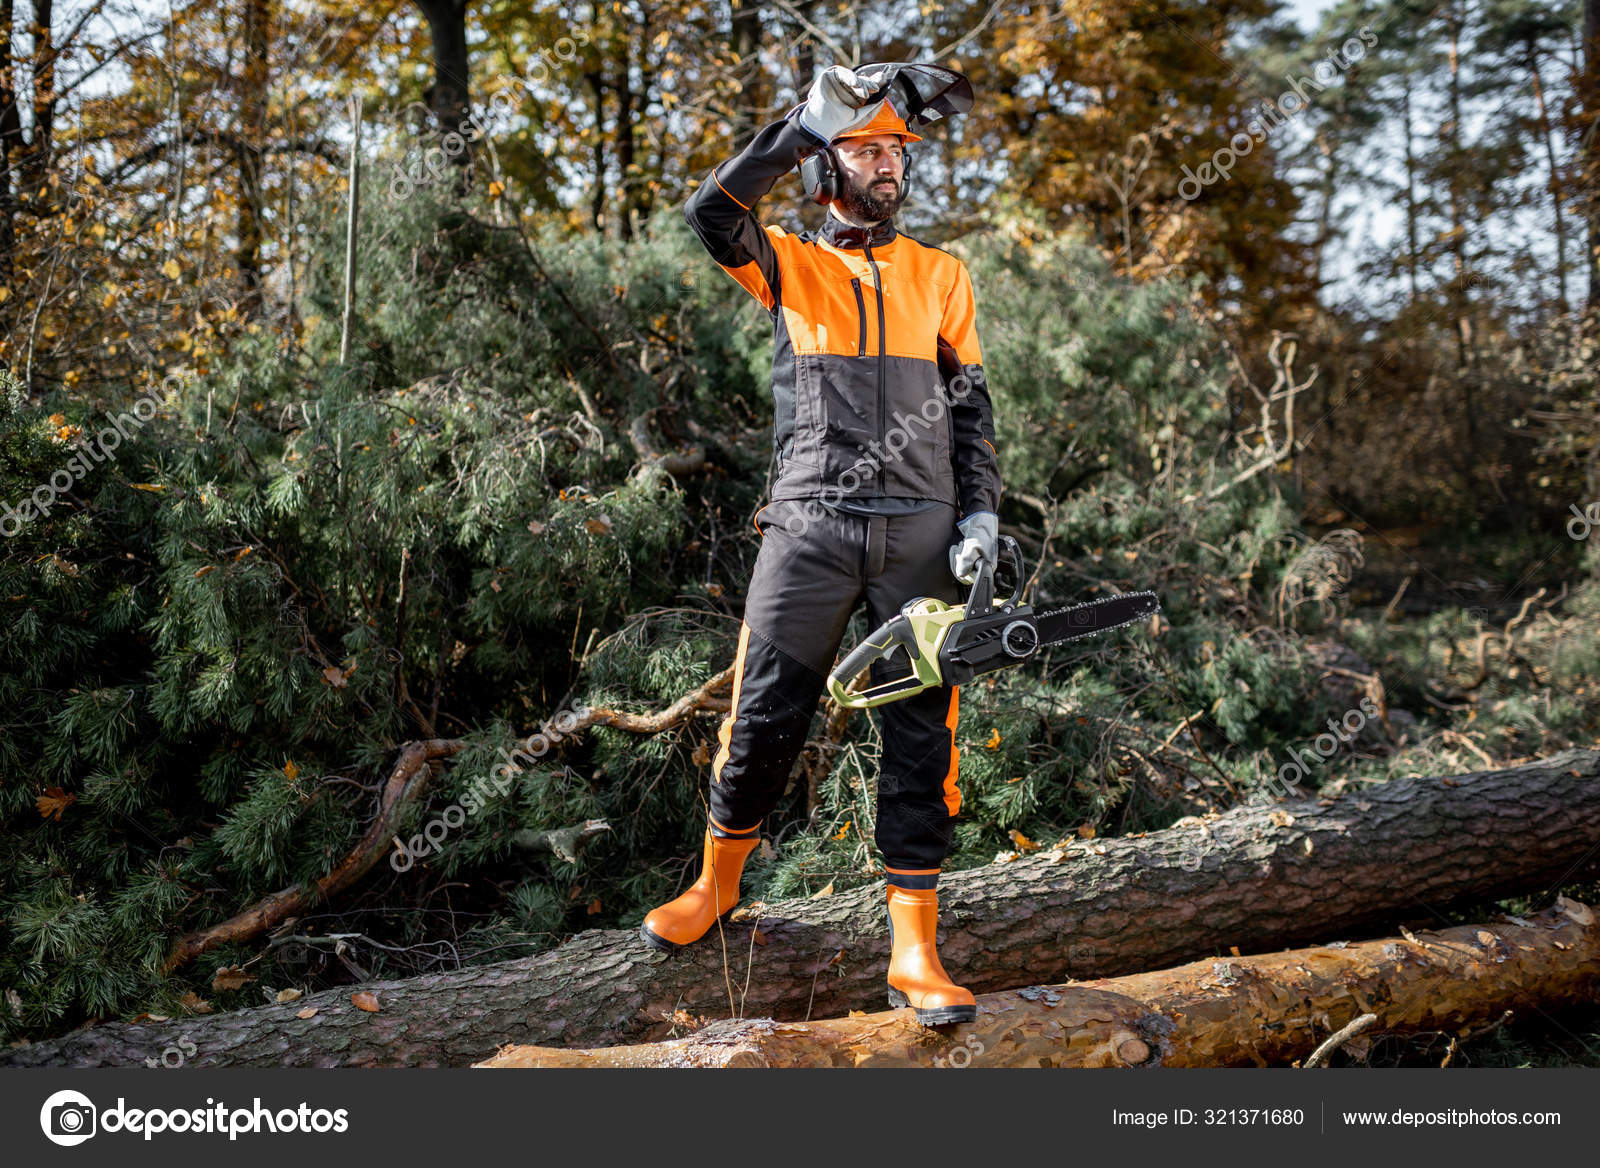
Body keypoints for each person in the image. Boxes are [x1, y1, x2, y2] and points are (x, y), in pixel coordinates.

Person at [643, 64, 1002, 1027]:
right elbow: (708, 213)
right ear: (829, 162)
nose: (888, 166)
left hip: (923, 534)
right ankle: (715, 885)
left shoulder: (943, 275)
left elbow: (971, 411)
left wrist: (981, 514)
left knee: (925, 739)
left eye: (896, 151)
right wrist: (805, 123)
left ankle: (915, 950)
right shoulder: (787, 262)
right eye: (869, 147)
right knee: (761, 718)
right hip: (808, 525)